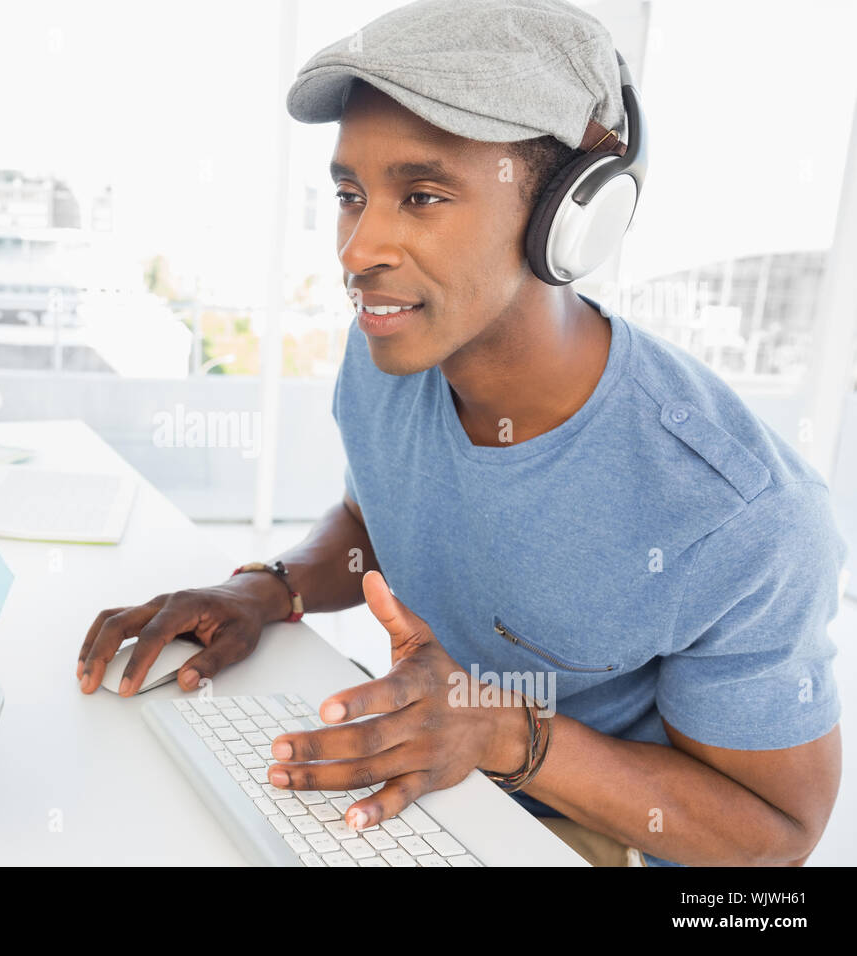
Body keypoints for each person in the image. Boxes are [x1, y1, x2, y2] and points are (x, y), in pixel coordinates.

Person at [76, 0, 845, 867]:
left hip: (592, 826)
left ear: (570, 212)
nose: (358, 249)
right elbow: (374, 524)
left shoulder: (742, 513)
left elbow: (776, 841)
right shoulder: (392, 350)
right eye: (350, 196)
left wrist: (502, 732)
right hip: (437, 773)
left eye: (423, 195)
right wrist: (269, 589)